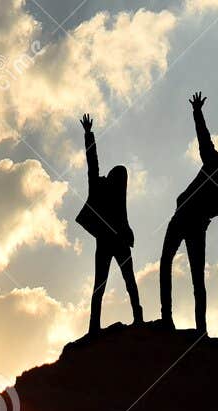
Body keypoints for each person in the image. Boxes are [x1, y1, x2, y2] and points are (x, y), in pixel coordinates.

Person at [159, 92, 218, 333]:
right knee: (187, 274)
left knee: (183, 272)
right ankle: (178, 322)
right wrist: (197, 111)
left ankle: (187, 325)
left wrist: (197, 112)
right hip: (188, 220)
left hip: (189, 222)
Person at [76, 113, 143, 332]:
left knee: (128, 282)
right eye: (119, 176)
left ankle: (138, 318)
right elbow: (92, 161)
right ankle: (94, 326)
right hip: (107, 241)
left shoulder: (118, 195)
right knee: (101, 285)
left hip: (119, 240)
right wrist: (88, 135)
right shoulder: (99, 186)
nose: (122, 180)